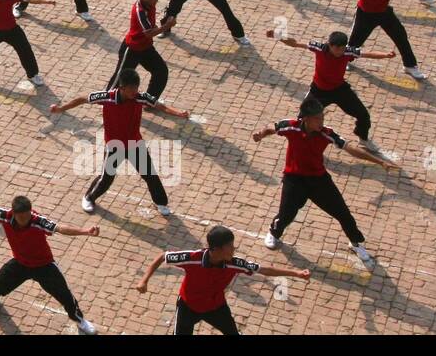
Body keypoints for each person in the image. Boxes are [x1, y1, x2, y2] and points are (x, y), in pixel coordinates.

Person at [252, 96, 399, 268]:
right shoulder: (291, 126)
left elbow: (349, 147)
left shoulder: (326, 133)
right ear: (305, 119)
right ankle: (274, 233)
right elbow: (273, 127)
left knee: (343, 214)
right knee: (286, 214)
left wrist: (379, 161)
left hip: (319, 180)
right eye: (317, 118)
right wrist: (261, 134)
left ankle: (356, 243)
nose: (321, 121)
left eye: (322, 117)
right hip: (294, 179)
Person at [0, 193, 98, 334]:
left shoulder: (38, 221)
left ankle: (80, 321)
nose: (25, 220)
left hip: (44, 266)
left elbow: (61, 228)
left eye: (27, 215)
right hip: (20, 263)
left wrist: (85, 231)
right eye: (21, 217)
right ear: (13, 213)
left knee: (65, 296)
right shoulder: (4, 215)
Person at [52, 68, 189, 216]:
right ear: (121, 88)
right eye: (131, 90)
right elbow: (82, 99)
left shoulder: (140, 97)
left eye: (136, 89)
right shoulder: (107, 97)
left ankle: (161, 203)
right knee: (107, 177)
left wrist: (178, 113)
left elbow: (159, 105)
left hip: (135, 144)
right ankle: (89, 197)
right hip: (114, 146)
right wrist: (61, 109)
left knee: (150, 174)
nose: (134, 92)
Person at [136, 225, 311, 335]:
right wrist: (144, 280)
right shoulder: (192, 258)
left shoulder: (234, 264)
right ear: (217, 249)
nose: (234, 249)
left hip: (216, 307)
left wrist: (296, 273)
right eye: (230, 246)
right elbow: (162, 257)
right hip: (188, 306)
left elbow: (264, 269)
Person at [265, 28, 397, 152]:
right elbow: (295, 43)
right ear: (329, 44)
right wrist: (279, 36)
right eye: (337, 49)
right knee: (303, 120)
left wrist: (385, 55)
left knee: (363, 115)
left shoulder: (347, 51)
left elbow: (367, 54)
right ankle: (306, 144)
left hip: (339, 90)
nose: (339, 52)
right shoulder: (319, 48)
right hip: (318, 91)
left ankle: (363, 137)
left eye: (342, 49)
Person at [110, 0, 175, 99]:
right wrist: (166, 26)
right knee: (120, 78)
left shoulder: (149, 4)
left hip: (145, 47)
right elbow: (149, 33)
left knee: (161, 71)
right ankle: (108, 100)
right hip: (132, 49)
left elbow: (150, 27)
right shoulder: (140, 11)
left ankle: (149, 100)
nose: (156, 2)